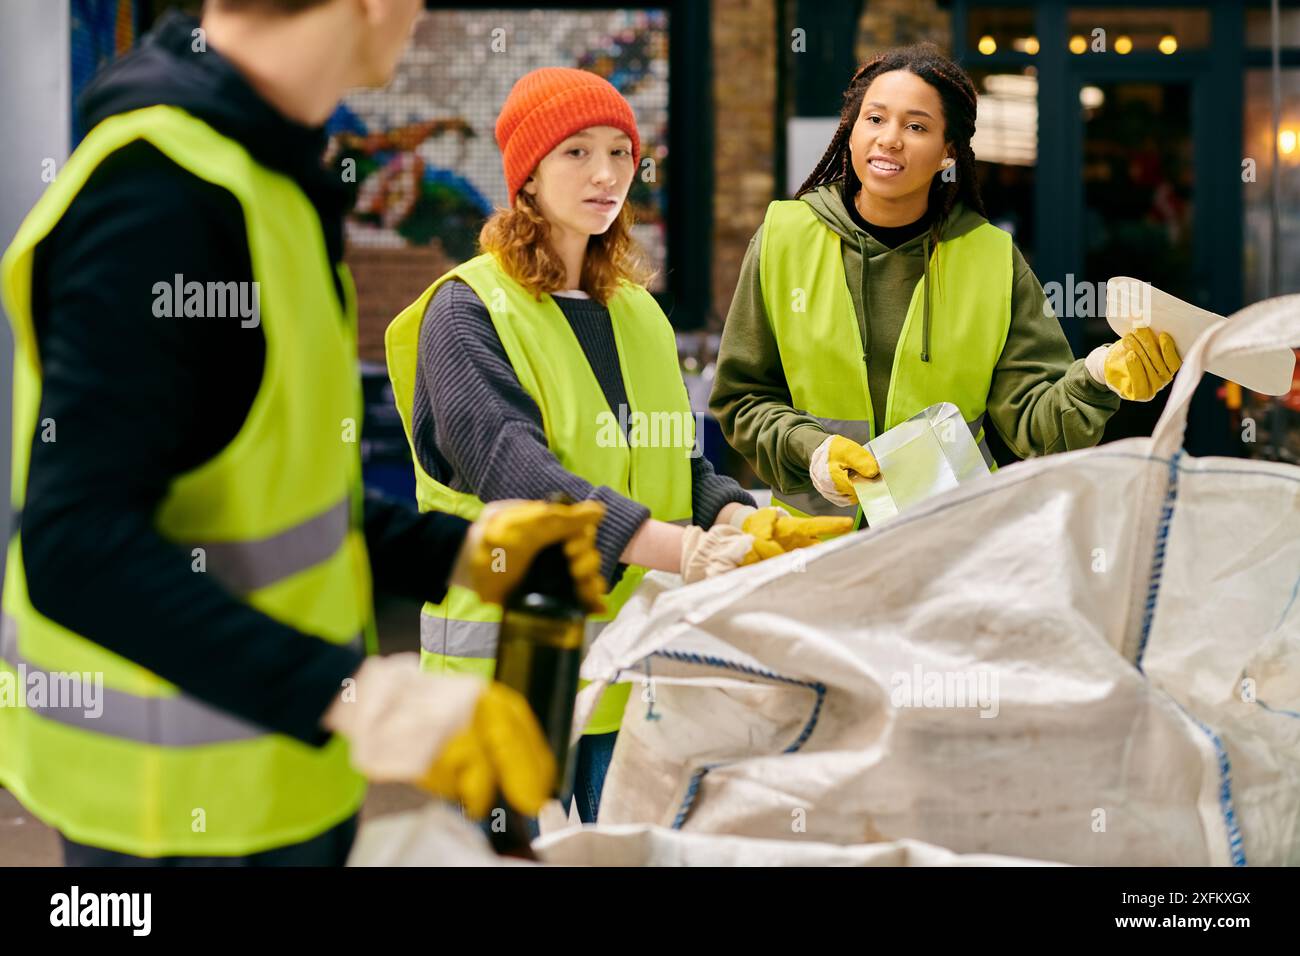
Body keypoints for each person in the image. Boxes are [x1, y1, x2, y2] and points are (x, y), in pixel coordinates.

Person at [0, 0, 601, 867]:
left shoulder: (270, 176)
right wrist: (363, 700)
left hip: (283, 790)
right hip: (170, 824)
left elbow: (275, 497)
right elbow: (77, 552)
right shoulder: (160, 197)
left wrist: (466, 554)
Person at [386, 66, 851, 822]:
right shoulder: (467, 311)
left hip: (633, 686)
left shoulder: (639, 313)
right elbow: (518, 473)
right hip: (508, 681)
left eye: (620, 152)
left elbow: (677, 462)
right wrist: (683, 553)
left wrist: (737, 521)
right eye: (575, 153)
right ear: (527, 176)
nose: (606, 174)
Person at [710, 44, 1183, 520]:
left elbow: (1037, 427)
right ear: (850, 132)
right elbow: (742, 396)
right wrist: (809, 450)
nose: (890, 139)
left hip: (954, 543)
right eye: (874, 119)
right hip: (818, 540)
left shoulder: (991, 257)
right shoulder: (784, 238)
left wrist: (1098, 377)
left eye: (916, 127)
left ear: (948, 152)